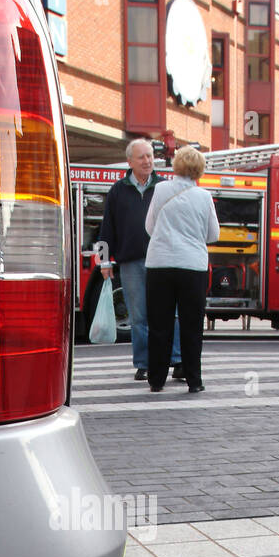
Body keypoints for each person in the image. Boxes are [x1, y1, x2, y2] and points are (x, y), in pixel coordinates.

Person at [98, 139, 183, 381]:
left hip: (164, 260)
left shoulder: (165, 187)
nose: (147, 161)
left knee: (169, 312)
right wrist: (105, 262)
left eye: (149, 156)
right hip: (131, 262)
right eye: (141, 157)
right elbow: (107, 229)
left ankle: (176, 360)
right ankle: (144, 363)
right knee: (138, 316)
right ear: (130, 161)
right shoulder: (118, 190)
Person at [145, 145, 219, 394]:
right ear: (199, 169)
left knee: (159, 323)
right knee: (191, 324)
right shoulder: (204, 196)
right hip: (192, 266)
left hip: (160, 263)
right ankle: (193, 380)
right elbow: (213, 234)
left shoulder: (160, 189)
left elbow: (149, 226)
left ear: (176, 165)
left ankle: (156, 379)